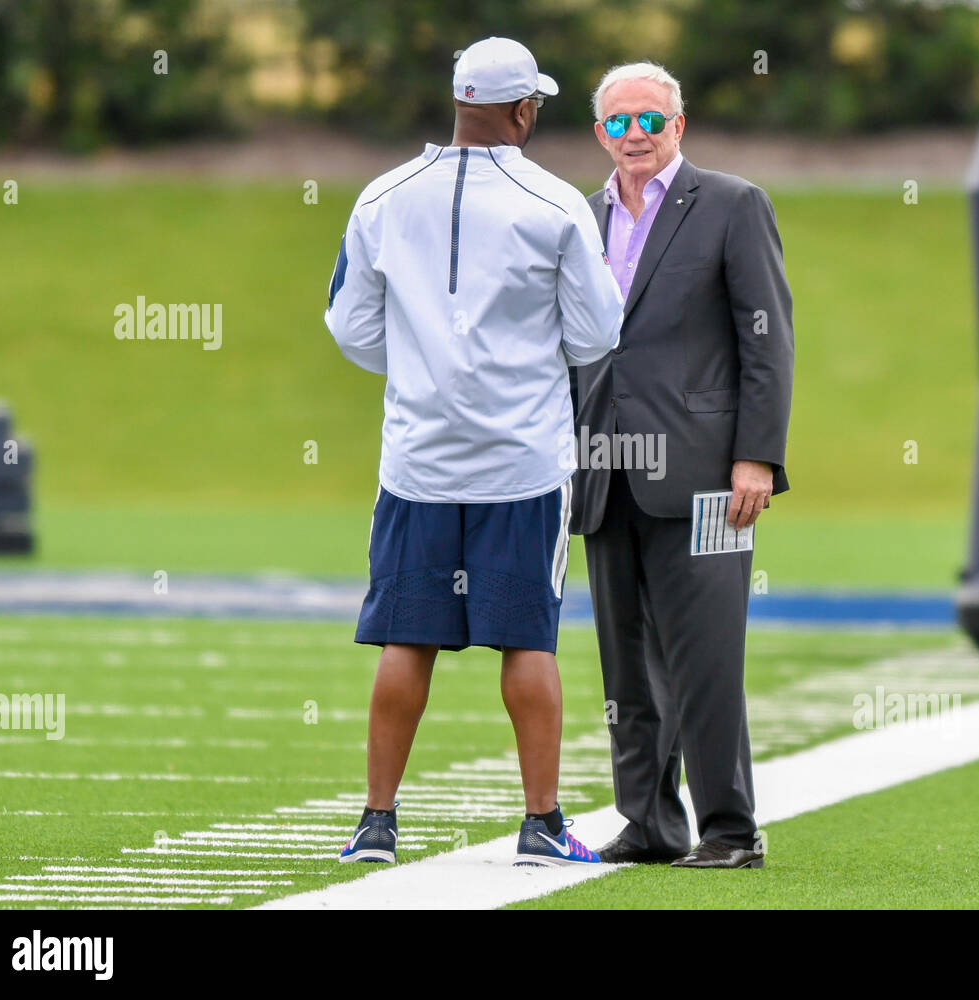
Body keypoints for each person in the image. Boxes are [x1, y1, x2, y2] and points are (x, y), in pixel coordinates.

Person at [324, 37, 623, 866]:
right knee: (528, 641)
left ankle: (376, 824)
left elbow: (351, 326)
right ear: (525, 109)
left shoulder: (382, 196)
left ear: (458, 101)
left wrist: (425, 366)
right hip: (522, 459)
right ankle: (540, 824)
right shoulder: (558, 202)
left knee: (404, 641)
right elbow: (598, 331)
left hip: (417, 459)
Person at [571, 62, 794, 868]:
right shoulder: (578, 217)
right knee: (626, 669)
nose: (636, 135)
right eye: (619, 122)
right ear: (600, 133)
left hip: (705, 473)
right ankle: (651, 823)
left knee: (706, 660)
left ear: (679, 124)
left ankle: (731, 830)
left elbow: (767, 343)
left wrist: (757, 457)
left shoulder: (732, 204)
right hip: (604, 472)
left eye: (650, 120)